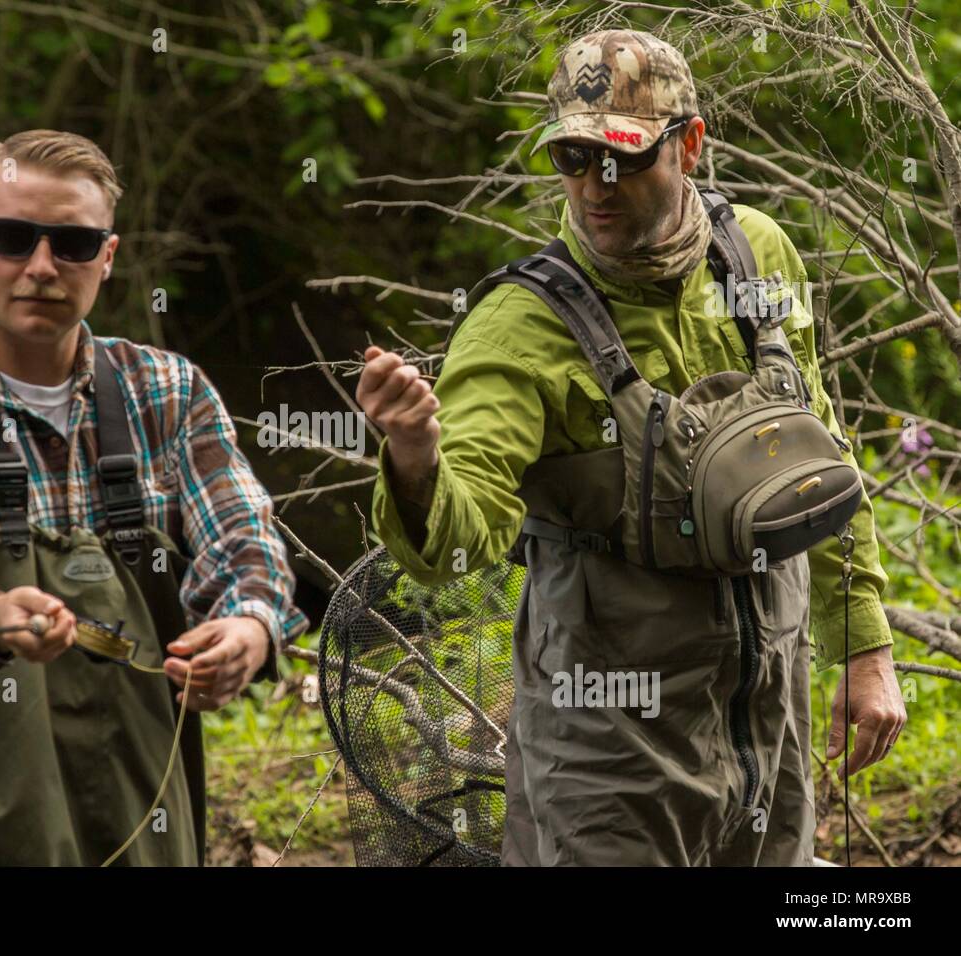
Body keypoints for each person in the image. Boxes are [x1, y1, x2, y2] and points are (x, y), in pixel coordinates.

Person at [358, 30, 906, 865]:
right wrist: (415, 460)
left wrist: (864, 646)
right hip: (610, 745)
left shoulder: (755, 251)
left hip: (771, 713)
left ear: (689, 144)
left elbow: (821, 453)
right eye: (572, 160)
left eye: (618, 159)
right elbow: (452, 546)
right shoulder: (519, 327)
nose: (593, 188)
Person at [0, 129, 306, 866]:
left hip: (143, 832)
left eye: (72, 244)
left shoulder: (169, 394)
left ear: (106, 256)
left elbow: (245, 545)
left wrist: (249, 629)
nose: (41, 266)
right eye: (11, 237)